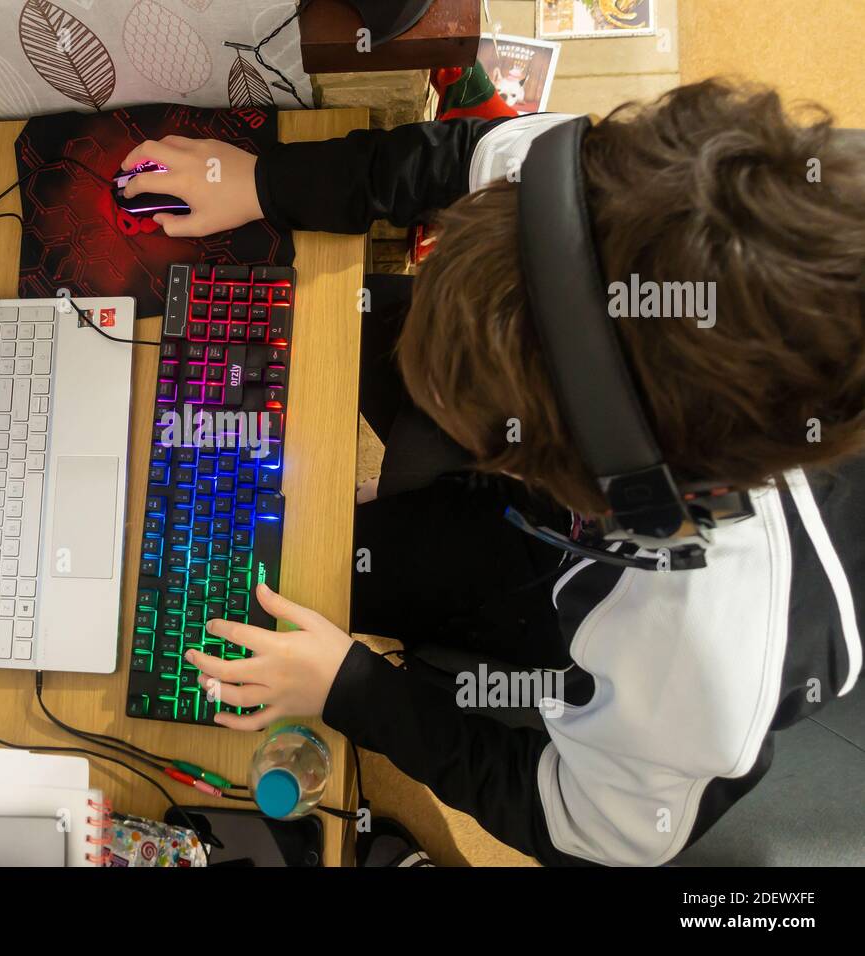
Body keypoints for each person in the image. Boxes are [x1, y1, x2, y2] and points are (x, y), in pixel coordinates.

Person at [117, 80, 865, 866]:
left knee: (290, 582)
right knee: (328, 328)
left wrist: (354, 690)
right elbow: (467, 155)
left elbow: (571, 824)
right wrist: (269, 183)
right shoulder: (626, 192)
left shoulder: (705, 665)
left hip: (567, 575)